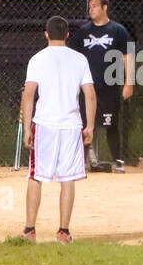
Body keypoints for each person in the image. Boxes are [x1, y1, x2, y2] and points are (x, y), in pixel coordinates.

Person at [21, 16, 97, 242]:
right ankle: (63, 231)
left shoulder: (37, 59)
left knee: (36, 176)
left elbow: (28, 95)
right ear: (67, 35)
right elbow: (90, 95)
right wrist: (90, 126)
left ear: (46, 34)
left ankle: (29, 230)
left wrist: (27, 128)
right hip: (71, 125)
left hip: (44, 124)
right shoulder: (79, 59)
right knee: (68, 178)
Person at [67, 0, 133, 172]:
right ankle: (81, 162)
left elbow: (128, 56)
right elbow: (72, 57)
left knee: (110, 125)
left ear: (105, 8)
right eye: (90, 7)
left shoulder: (117, 30)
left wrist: (129, 82)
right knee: (85, 124)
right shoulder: (83, 31)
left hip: (109, 86)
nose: (91, 9)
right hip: (87, 87)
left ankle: (117, 161)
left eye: (95, 6)